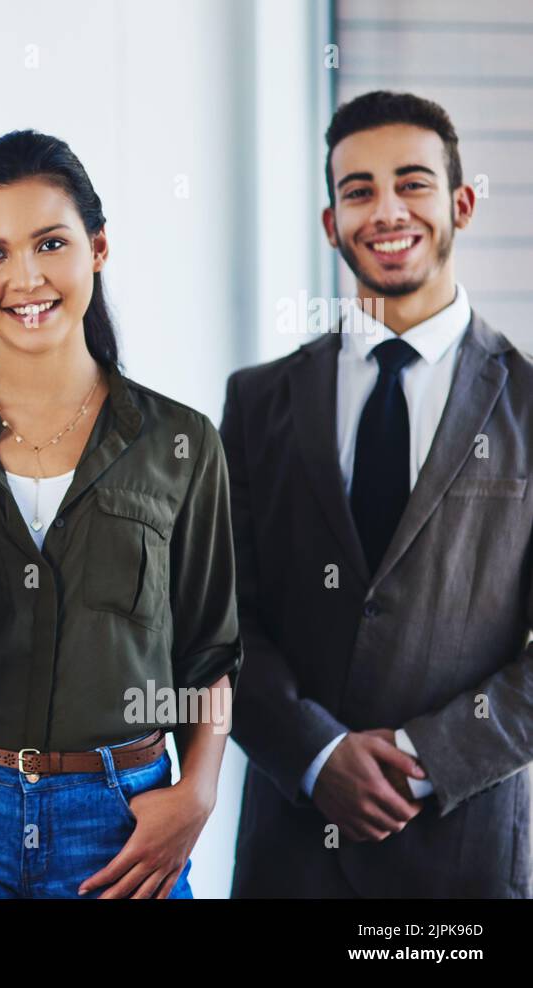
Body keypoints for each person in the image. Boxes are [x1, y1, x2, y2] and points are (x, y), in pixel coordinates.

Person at [0, 130, 240, 898]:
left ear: (97, 248)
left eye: (50, 243)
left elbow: (209, 653)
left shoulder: (183, 443)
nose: (24, 278)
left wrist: (196, 796)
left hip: (123, 820)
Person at [225, 90, 533, 897]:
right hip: (289, 850)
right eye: (357, 190)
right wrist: (316, 752)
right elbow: (221, 616)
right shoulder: (258, 400)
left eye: (413, 182)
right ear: (331, 222)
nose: (386, 209)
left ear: (461, 203)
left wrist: (429, 758)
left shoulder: (531, 403)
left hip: (462, 854)